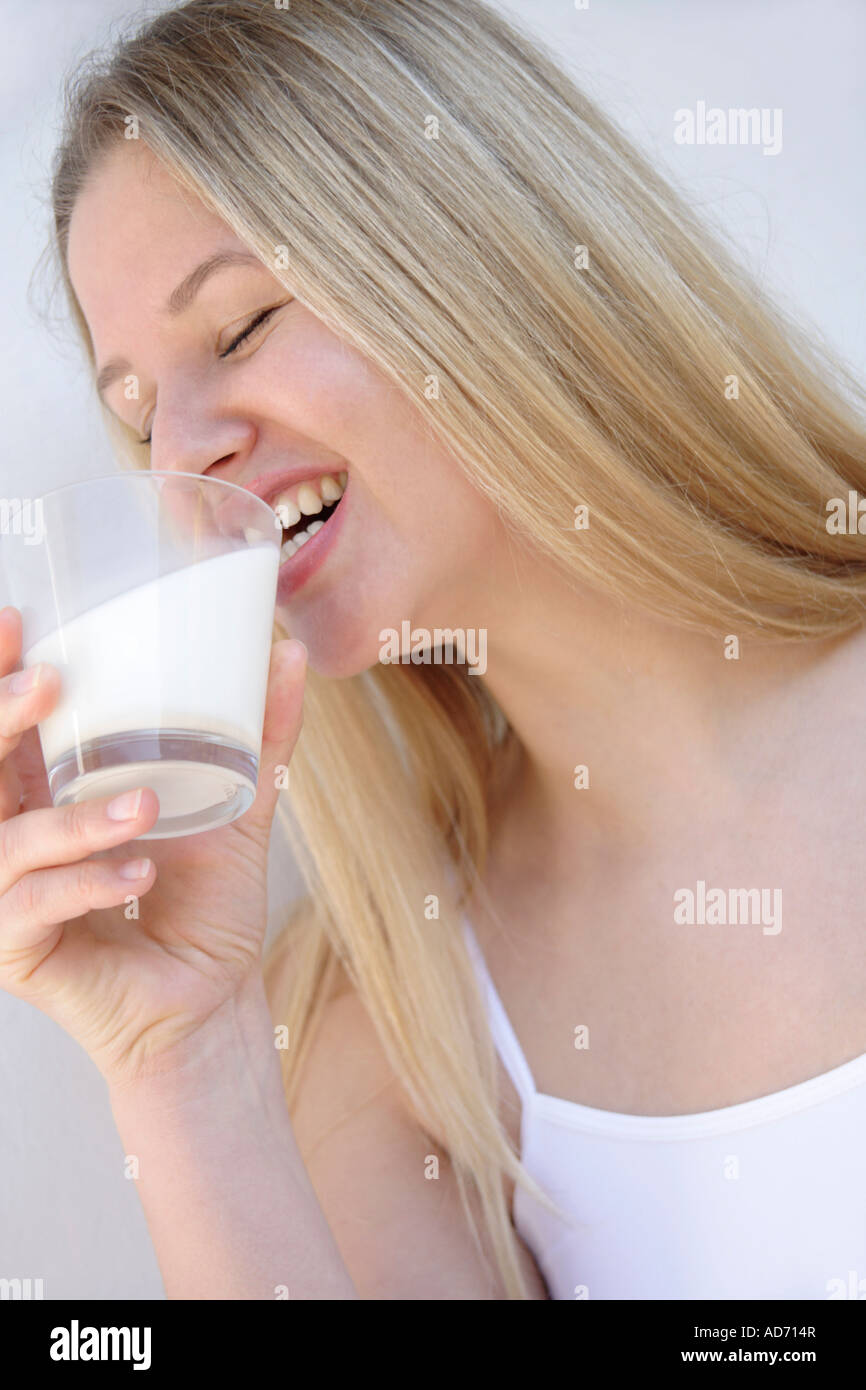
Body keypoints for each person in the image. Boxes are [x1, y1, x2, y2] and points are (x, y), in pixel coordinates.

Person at [2, 0, 865, 1300]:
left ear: (471, 257)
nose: (182, 456)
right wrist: (185, 1060)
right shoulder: (400, 1033)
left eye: (236, 329)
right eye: (140, 419)